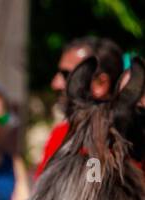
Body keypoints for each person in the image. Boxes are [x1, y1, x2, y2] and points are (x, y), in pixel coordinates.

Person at [37, 37, 124, 176]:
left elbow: (93, 188)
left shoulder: (127, 141)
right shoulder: (60, 134)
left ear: (101, 83)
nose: (55, 84)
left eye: (67, 75)